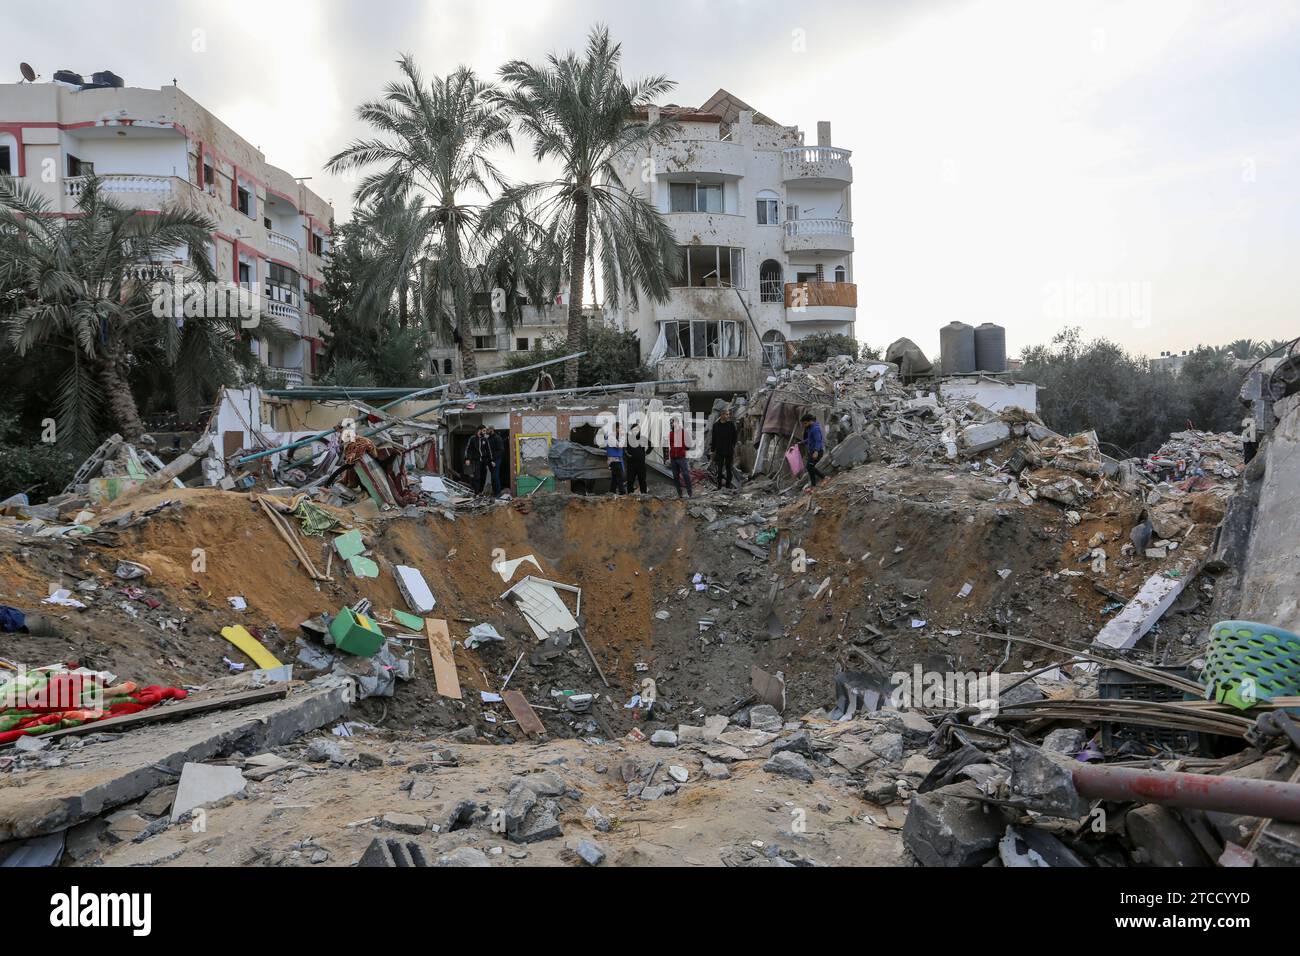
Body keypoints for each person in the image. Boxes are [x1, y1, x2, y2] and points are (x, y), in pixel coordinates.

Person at [665, 416, 693, 499]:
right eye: (671, 423)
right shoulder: (671, 433)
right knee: (675, 476)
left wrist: (683, 449)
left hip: (681, 458)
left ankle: (689, 492)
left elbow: (689, 444)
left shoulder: (683, 432)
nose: (671, 424)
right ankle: (679, 494)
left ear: (677, 423)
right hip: (673, 458)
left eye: (673, 422)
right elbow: (671, 444)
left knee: (685, 474)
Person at [711, 408, 738, 490]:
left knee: (729, 469)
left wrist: (732, 446)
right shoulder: (716, 426)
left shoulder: (731, 425)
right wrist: (712, 450)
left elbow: (735, 437)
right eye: (726, 414)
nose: (728, 416)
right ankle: (719, 487)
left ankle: (727, 486)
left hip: (729, 451)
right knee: (719, 470)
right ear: (721, 415)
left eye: (728, 414)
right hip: (719, 451)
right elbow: (714, 439)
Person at [464, 426, 494, 496]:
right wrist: (467, 458)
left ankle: (480, 491)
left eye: (485, 430)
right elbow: (468, 449)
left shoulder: (485, 439)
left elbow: (489, 450)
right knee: (476, 477)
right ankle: (476, 492)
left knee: (483, 476)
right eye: (484, 430)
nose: (485, 432)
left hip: (484, 461)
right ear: (479, 430)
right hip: (475, 461)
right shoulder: (472, 438)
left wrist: (491, 460)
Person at [800, 413, 825, 489]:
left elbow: (818, 441)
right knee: (810, 467)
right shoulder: (810, 429)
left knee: (809, 467)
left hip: (817, 451)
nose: (804, 425)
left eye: (805, 423)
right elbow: (810, 439)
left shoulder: (815, 429)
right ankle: (813, 485)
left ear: (810, 421)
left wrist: (816, 451)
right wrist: (803, 442)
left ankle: (824, 477)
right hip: (812, 451)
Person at [624, 420, 649, 494]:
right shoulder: (628, 438)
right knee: (630, 480)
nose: (635, 431)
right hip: (631, 463)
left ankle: (644, 494)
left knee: (642, 480)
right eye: (634, 430)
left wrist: (646, 453)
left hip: (641, 463)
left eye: (637, 430)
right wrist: (626, 454)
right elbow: (624, 447)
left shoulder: (642, 438)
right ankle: (630, 495)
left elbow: (651, 445)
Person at [605, 423, 627, 494]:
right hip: (614, 460)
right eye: (620, 428)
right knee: (619, 476)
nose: (621, 430)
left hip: (617, 460)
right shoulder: (611, 437)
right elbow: (619, 446)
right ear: (616, 429)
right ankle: (622, 492)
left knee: (615, 477)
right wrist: (623, 437)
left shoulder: (616, 437)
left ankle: (612, 491)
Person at [486, 425, 506, 496]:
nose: (486, 431)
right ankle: (495, 493)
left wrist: (494, 460)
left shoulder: (497, 438)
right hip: (490, 461)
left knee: (495, 477)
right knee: (493, 477)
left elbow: (501, 450)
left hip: (496, 460)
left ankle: (498, 493)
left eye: (488, 429)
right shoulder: (488, 439)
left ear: (492, 429)